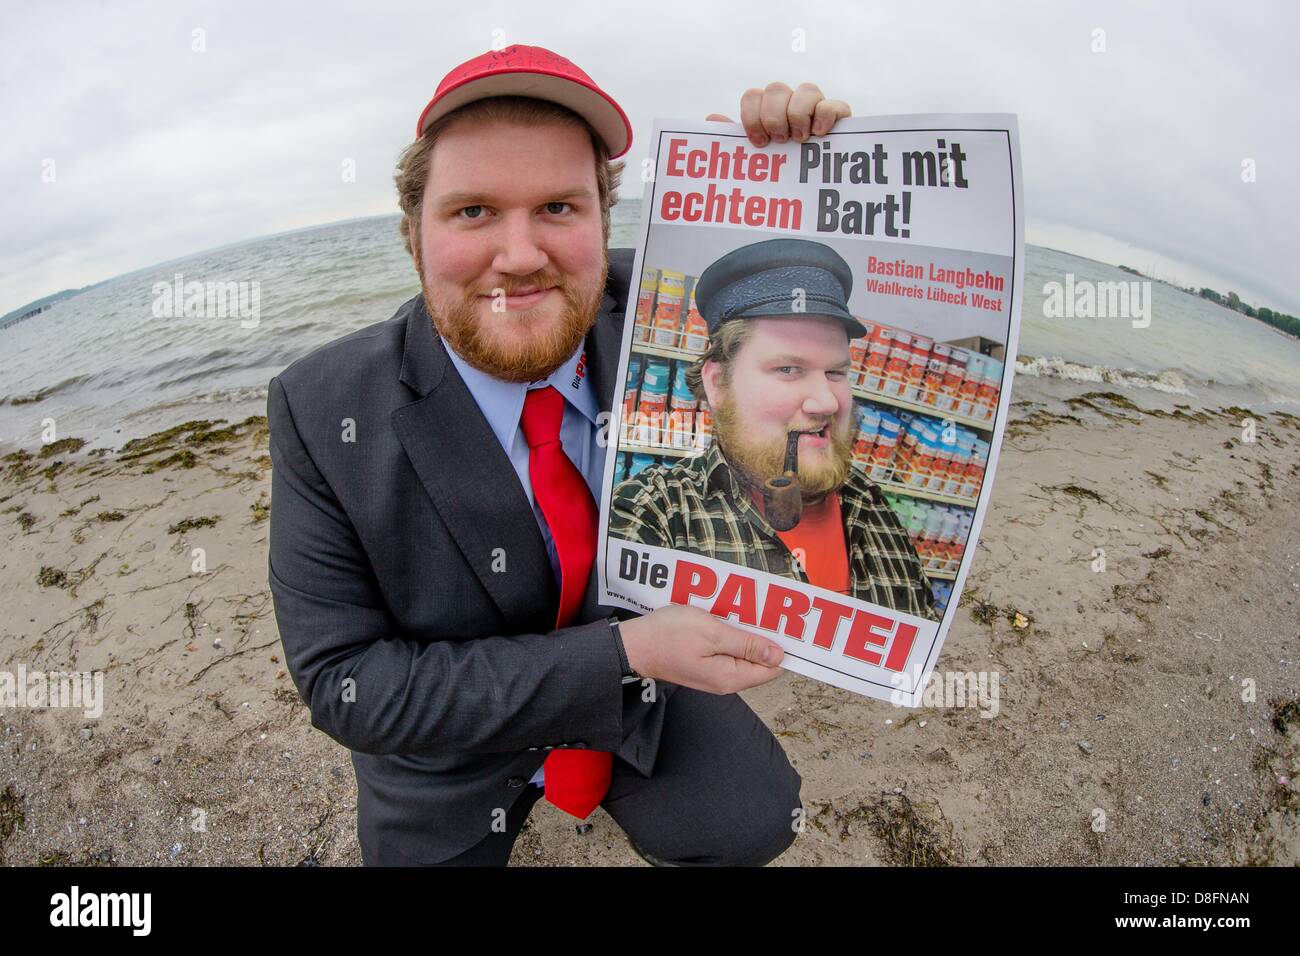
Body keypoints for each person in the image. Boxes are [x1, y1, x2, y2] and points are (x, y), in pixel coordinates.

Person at [267, 43, 853, 866]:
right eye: (472, 211)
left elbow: (793, 308)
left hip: (648, 683)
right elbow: (343, 684)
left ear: (603, 224)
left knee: (756, 822)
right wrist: (620, 654)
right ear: (412, 237)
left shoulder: (669, 316)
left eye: (558, 208)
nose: (519, 255)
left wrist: (786, 183)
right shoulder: (320, 408)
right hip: (453, 742)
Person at [609, 238, 940, 622]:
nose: (828, 402)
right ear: (718, 384)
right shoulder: (653, 514)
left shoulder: (869, 501)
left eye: (836, 372)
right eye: (788, 369)